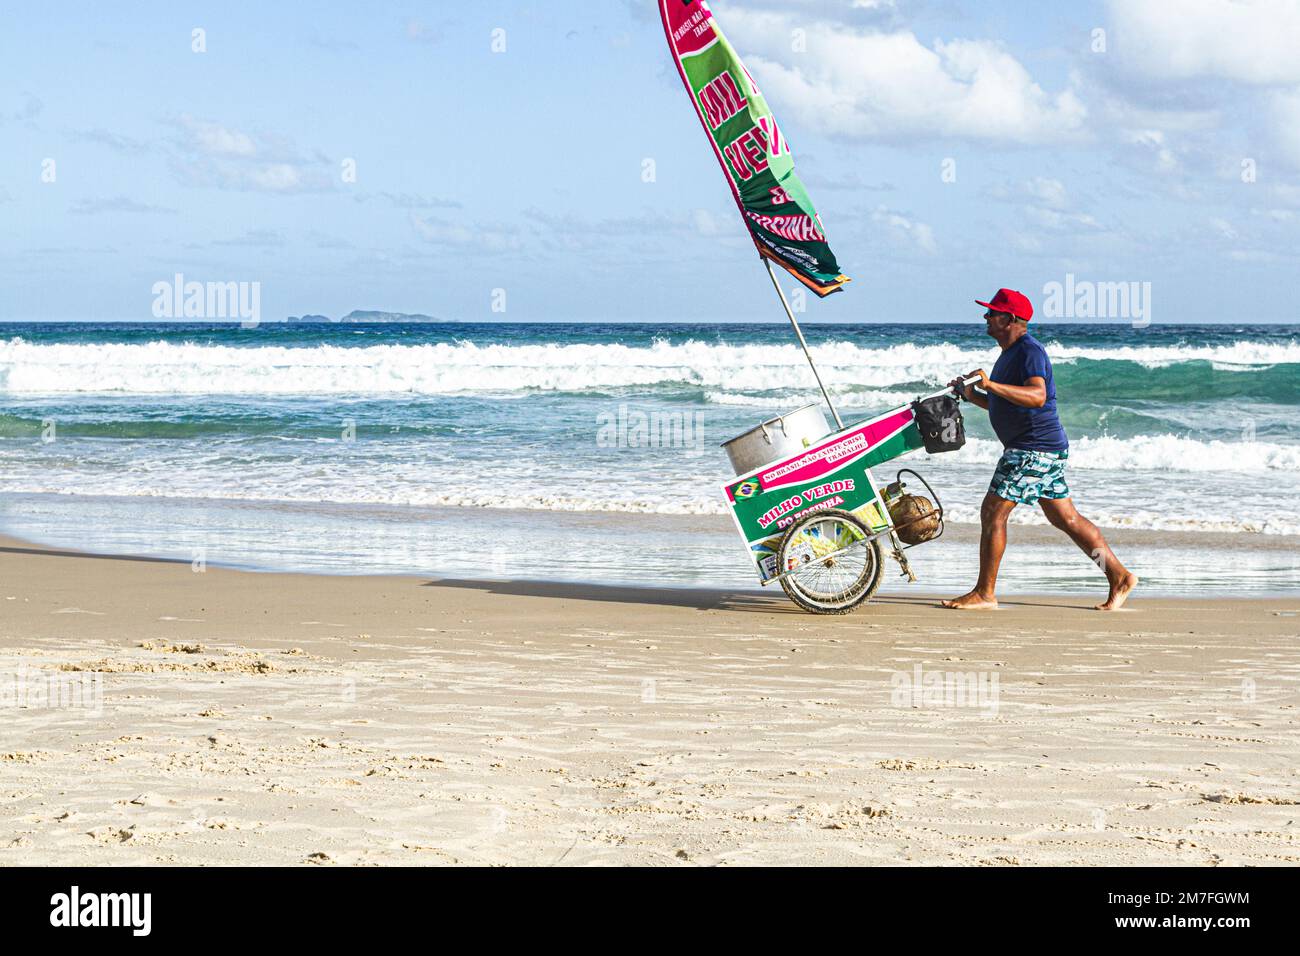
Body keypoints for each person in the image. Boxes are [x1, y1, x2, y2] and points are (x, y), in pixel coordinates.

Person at [943, 288, 1138, 611]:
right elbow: (999, 403)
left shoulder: (1029, 351)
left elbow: (1037, 396)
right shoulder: (1009, 354)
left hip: (1032, 449)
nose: (986, 317)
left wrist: (990, 384)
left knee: (993, 511)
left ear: (1011, 319)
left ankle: (985, 593)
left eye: (992, 312)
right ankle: (1118, 576)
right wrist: (970, 394)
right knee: (1068, 519)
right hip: (1043, 448)